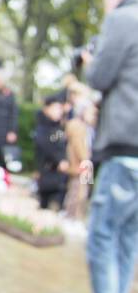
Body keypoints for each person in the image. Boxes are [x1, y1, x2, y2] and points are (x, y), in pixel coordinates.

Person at [72, 0, 138, 293]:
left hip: (125, 148)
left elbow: (100, 75)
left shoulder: (121, 20)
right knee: (127, 238)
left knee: (101, 232)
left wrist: (88, 59)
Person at [63, 84, 95, 223]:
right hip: (81, 163)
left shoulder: (86, 127)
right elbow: (79, 148)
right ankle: (72, 218)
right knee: (78, 192)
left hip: (84, 162)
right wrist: (86, 160)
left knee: (81, 191)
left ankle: (76, 217)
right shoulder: (77, 126)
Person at [33, 92, 69, 211]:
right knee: (46, 206)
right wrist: (59, 160)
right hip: (48, 172)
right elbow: (45, 145)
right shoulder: (44, 127)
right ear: (47, 108)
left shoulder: (57, 126)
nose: (59, 111)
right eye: (56, 108)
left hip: (58, 176)